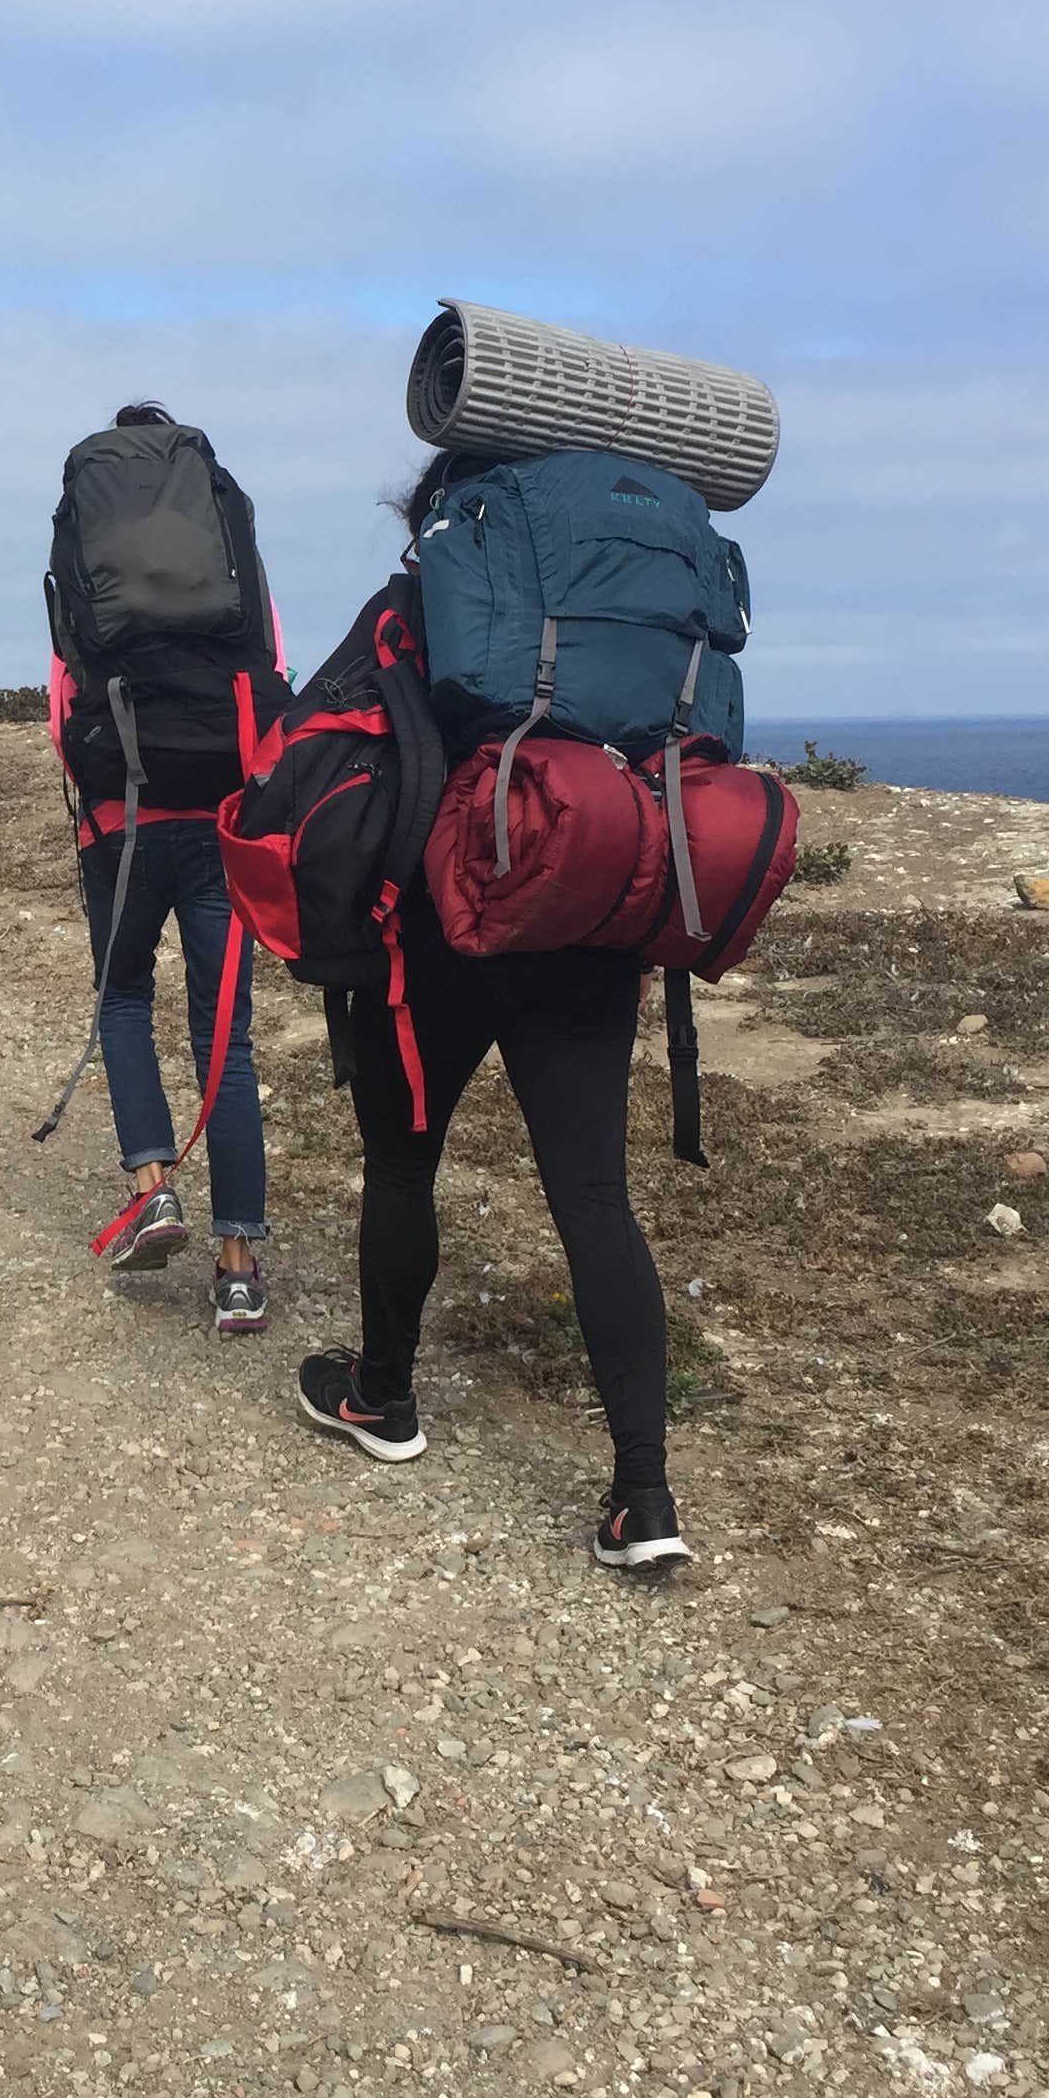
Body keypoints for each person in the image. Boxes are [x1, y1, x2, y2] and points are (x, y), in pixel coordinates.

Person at [296, 454, 692, 1569]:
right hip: (597, 904)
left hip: (447, 921)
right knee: (594, 1194)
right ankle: (644, 1499)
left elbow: (320, 727)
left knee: (404, 1163)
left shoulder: (432, 588)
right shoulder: (621, 595)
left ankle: (384, 1397)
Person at [48, 401, 277, 1333]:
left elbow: (67, 692)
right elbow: (266, 675)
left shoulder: (87, 553)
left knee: (125, 1001)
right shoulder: (226, 549)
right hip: (221, 825)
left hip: (121, 821)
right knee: (227, 1042)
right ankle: (238, 1267)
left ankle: (154, 1188)